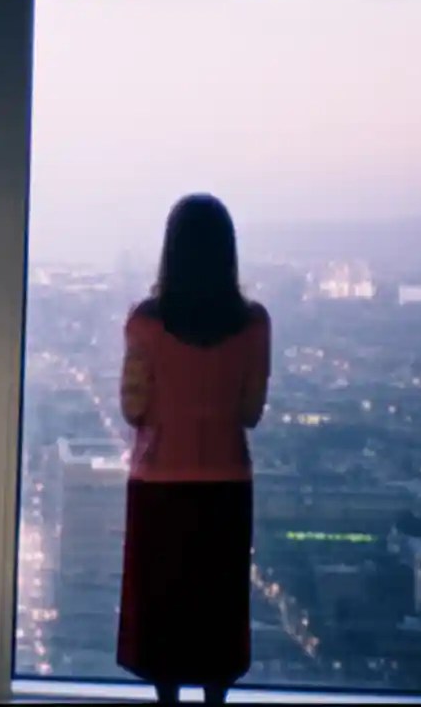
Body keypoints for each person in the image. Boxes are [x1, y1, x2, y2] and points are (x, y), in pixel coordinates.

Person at [115, 194, 272, 704]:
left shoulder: (144, 323)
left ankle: (167, 700)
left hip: (160, 484)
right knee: (216, 607)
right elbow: (250, 413)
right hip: (226, 483)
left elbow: (133, 409)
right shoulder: (253, 325)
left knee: (163, 608)